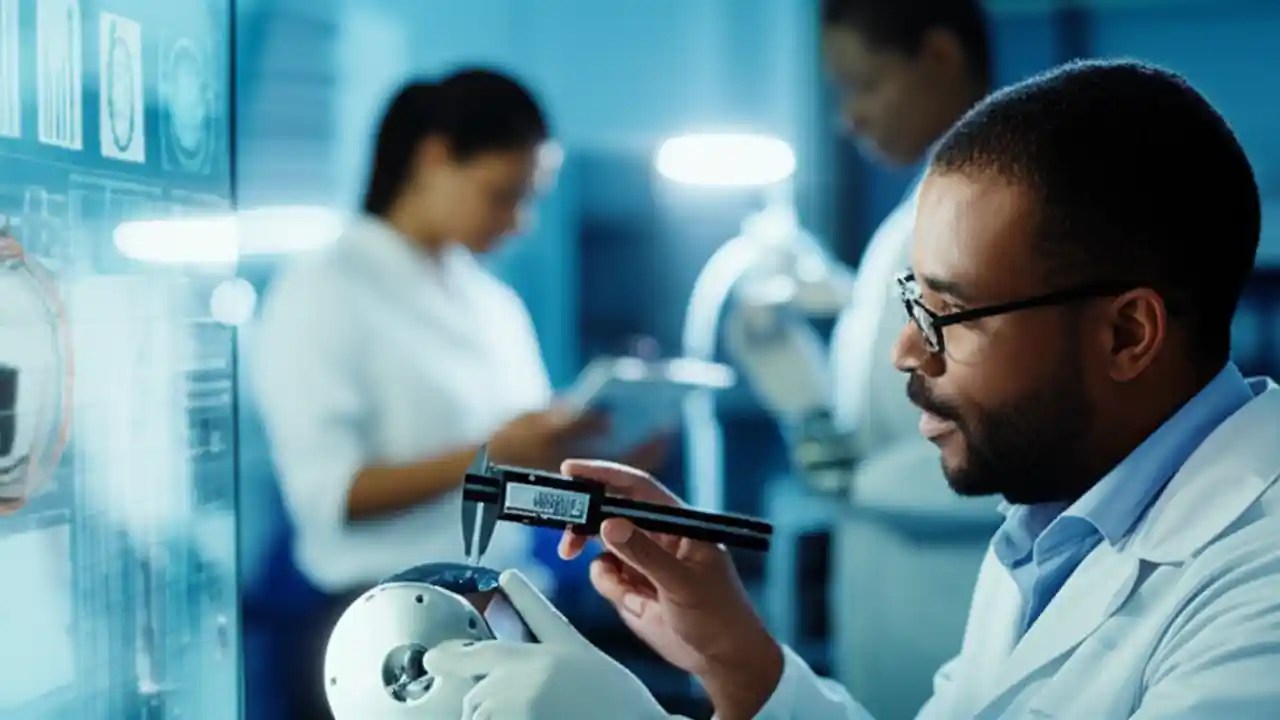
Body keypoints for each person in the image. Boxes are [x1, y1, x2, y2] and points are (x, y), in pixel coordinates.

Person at [425, 60, 1280, 719]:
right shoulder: (1053, 530)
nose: (907, 350)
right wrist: (738, 662)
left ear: (1127, 334)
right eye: (913, 300)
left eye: (950, 313)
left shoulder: (1260, 583)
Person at [251, 68, 657, 717]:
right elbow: (329, 497)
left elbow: (515, 473)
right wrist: (491, 455)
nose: (519, 222)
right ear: (433, 158)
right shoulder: (325, 289)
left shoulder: (491, 302)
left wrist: (594, 461)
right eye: (502, 195)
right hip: (384, 636)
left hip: (501, 614)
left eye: (528, 199)